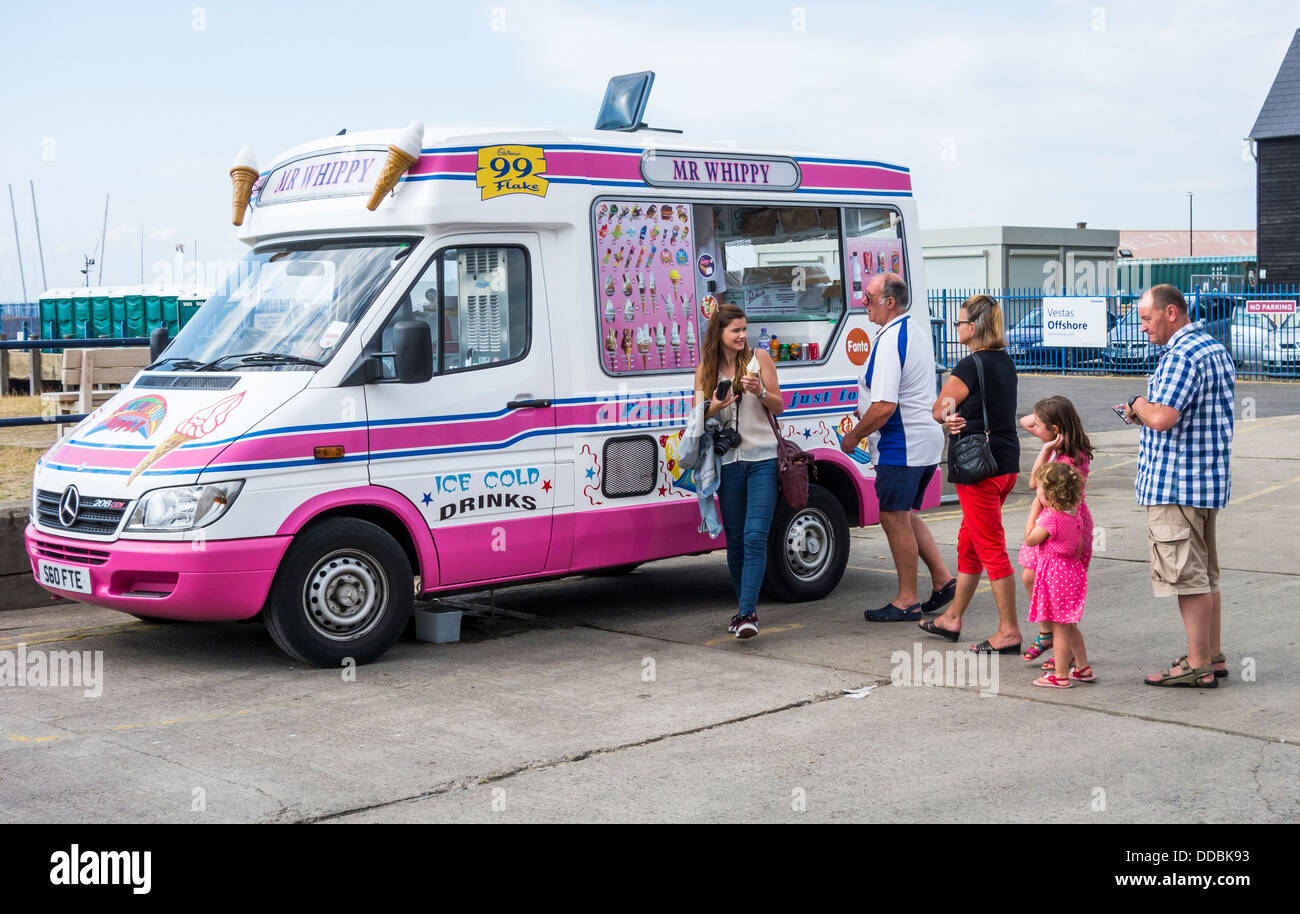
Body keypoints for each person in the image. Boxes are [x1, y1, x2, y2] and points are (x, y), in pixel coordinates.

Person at [1120, 284, 1234, 688]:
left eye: (1147, 319)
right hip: (1205, 483)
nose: (1144, 328)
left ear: (1171, 312)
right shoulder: (1211, 347)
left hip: (1176, 484)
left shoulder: (1181, 355)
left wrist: (1136, 404)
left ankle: (1198, 664)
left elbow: (1163, 417)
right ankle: (1211, 654)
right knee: (1205, 576)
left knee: (1187, 578)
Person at [839, 273, 956, 622]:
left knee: (893, 518)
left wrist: (853, 435)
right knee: (905, 514)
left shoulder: (891, 340)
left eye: (870, 297)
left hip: (902, 444)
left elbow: (885, 405)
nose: (864, 302)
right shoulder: (913, 329)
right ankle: (942, 579)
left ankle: (907, 599)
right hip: (922, 440)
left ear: (890, 303)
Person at [920, 294, 1022, 653]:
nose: (957, 328)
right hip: (1005, 462)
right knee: (970, 542)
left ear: (973, 328)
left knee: (990, 547)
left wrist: (946, 416)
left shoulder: (967, 366)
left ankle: (1009, 630)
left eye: (960, 323)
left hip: (978, 466)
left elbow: (938, 409)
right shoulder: (1005, 362)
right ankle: (952, 618)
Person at [694, 303, 782, 640]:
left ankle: (747, 613)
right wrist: (715, 406)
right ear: (719, 333)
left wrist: (760, 390)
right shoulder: (706, 370)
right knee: (735, 542)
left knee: (755, 536)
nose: (743, 335)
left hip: (763, 460)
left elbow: (780, 405)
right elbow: (697, 419)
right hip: (727, 464)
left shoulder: (760, 359)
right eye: (736, 331)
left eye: (745, 329)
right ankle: (745, 607)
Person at [1017, 397, 1095, 664]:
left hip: (1058, 522)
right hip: (1047, 514)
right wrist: (1047, 417)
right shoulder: (1060, 445)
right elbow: (1024, 421)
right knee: (1030, 576)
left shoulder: (1066, 460)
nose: (1032, 427)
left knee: (1054, 588)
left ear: (1055, 430)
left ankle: (1064, 648)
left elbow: (1032, 483)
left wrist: (1046, 447)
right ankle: (1048, 633)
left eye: (1040, 426)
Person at [1023, 462, 1093, 687]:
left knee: (1059, 627)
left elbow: (1030, 538)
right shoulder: (1073, 513)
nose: (1037, 493)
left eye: (1040, 490)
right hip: (1072, 570)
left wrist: (1035, 509)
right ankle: (1082, 667)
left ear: (1049, 493)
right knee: (1068, 624)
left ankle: (1061, 675)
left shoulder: (1050, 518)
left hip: (1056, 574)